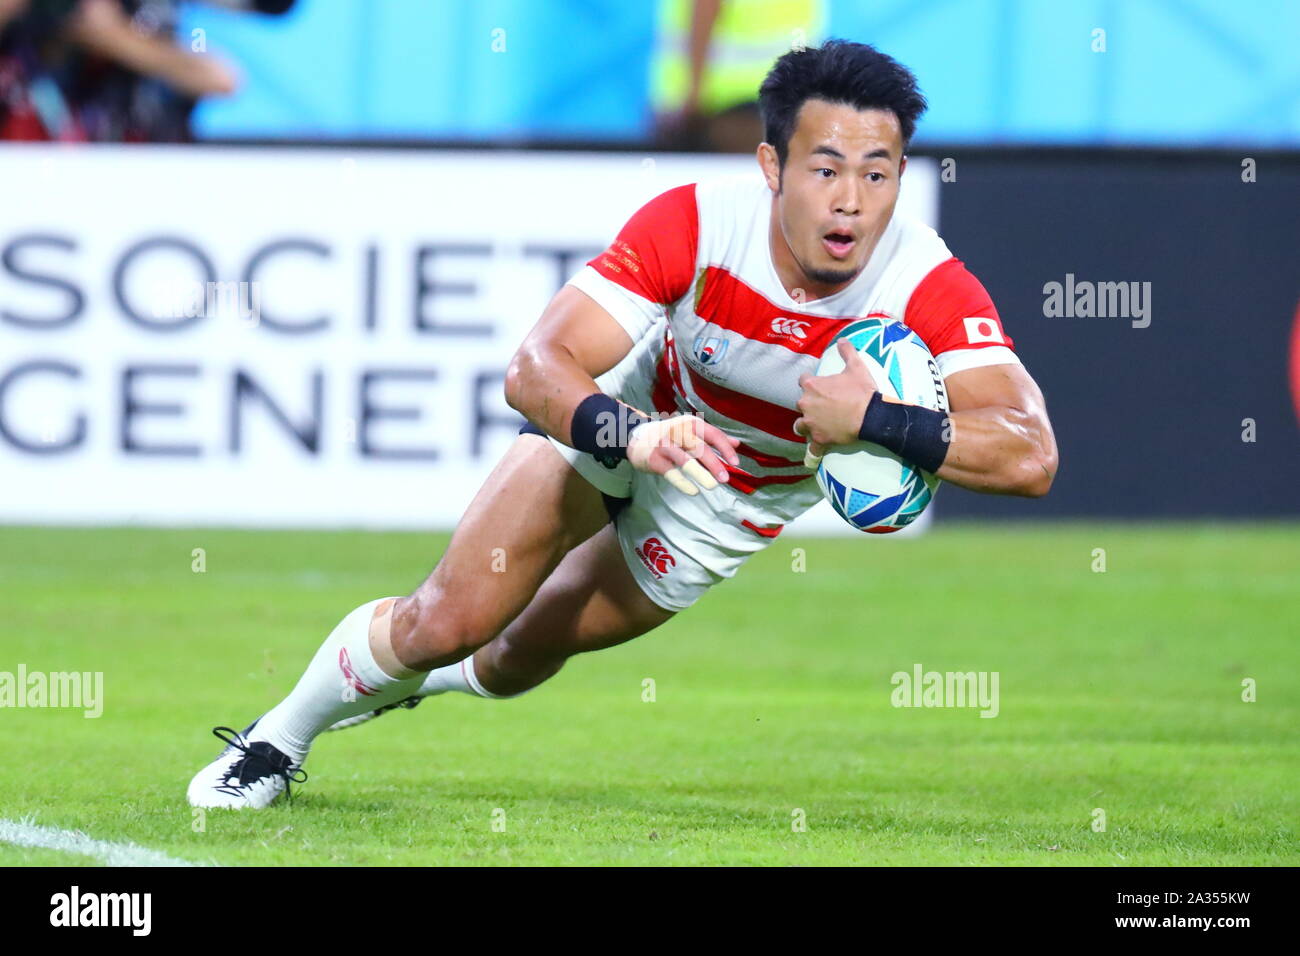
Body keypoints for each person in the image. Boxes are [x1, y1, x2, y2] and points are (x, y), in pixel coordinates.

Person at [187, 39, 1059, 810]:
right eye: (826, 168)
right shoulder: (696, 223)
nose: (852, 202)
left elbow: (1031, 456)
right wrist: (627, 431)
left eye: (878, 173)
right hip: (628, 418)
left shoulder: (927, 283)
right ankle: (275, 740)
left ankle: (402, 679)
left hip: (729, 503)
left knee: (513, 657)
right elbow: (534, 368)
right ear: (771, 166)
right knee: (447, 621)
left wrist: (873, 417)